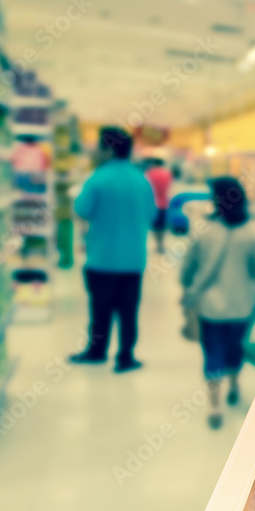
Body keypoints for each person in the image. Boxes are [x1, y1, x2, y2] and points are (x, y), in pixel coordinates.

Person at [70, 127, 156, 373]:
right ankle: (126, 356)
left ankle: (96, 351)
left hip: (102, 257)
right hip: (133, 259)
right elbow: (151, 214)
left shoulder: (98, 178)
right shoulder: (141, 180)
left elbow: (82, 209)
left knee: (100, 309)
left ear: (108, 149)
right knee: (129, 311)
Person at [180, 177, 255, 429]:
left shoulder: (204, 230)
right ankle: (235, 385)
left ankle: (215, 405)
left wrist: (186, 286)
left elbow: (188, 267)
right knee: (236, 347)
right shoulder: (250, 233)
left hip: (210, 306)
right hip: (241, 304)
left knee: (212, 350)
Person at [144, 157, 174, 254]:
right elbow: (170, 188)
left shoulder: (149, 173)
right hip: (164, 203)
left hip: (152, 204)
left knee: (154, 226)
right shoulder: (167, 174)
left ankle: (156, 244)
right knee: (162, 226)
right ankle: (161, 245)